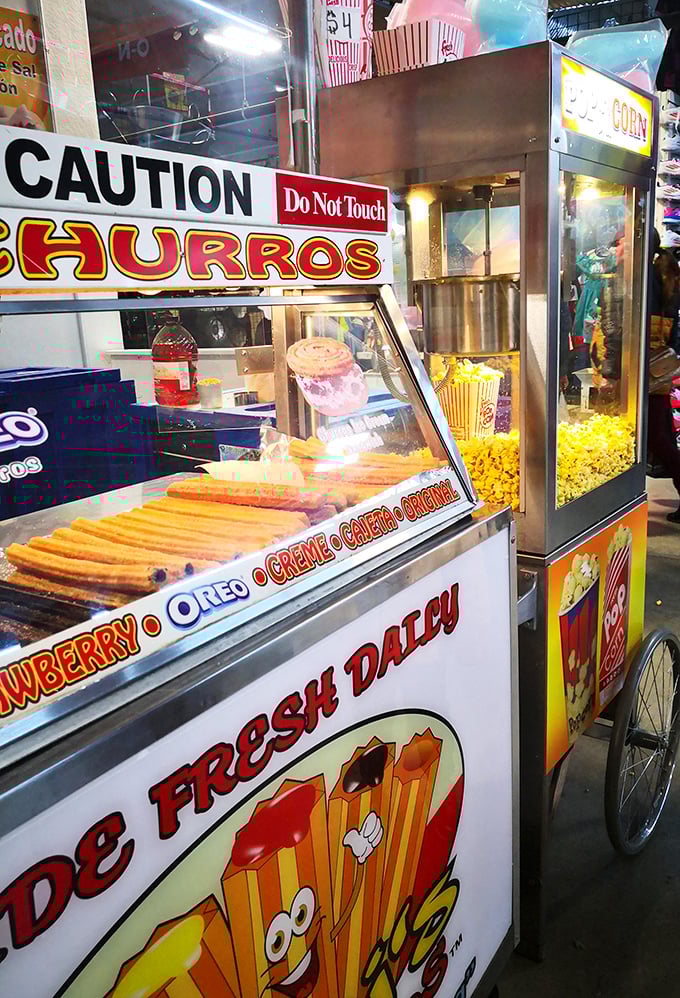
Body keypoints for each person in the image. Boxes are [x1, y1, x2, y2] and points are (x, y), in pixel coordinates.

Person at [647, 229, 680, 523]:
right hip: (659, 365)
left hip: (646, 367)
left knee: (658, 437)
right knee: (660, 434)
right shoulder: (660, 273)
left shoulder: (646, 277)